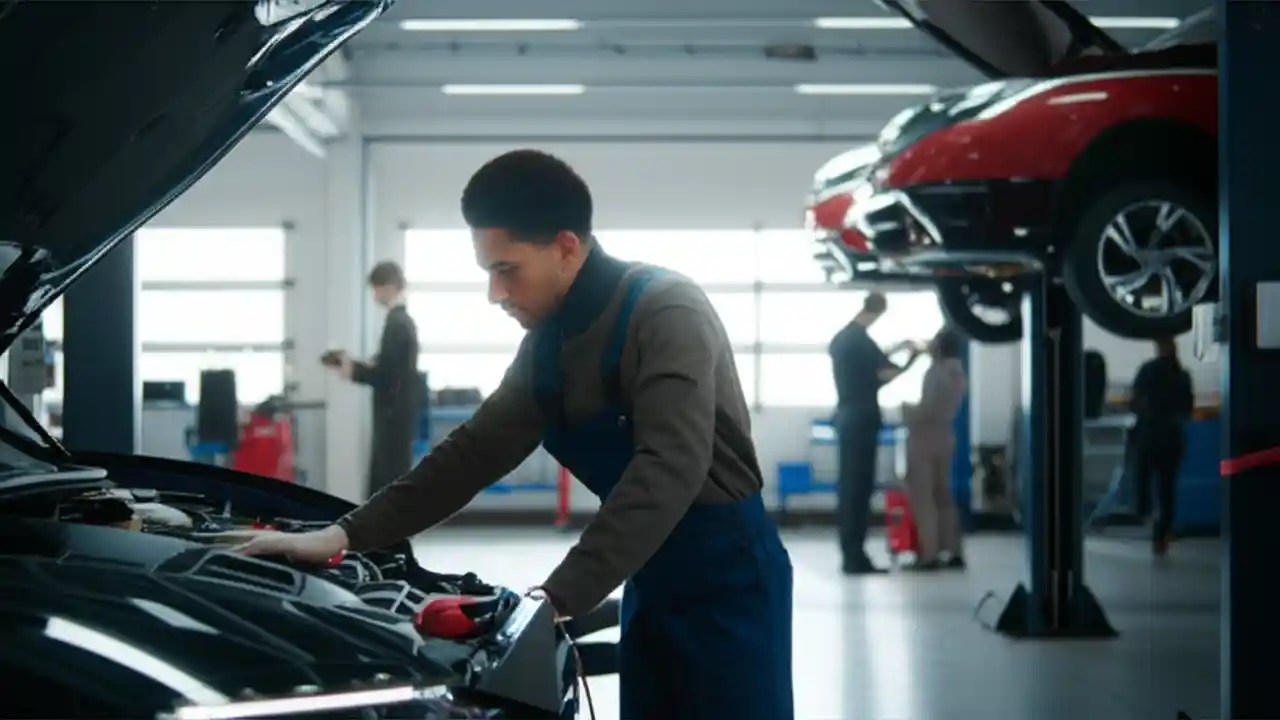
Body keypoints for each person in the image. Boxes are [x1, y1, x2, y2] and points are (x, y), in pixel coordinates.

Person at [229, 149, 794, 719]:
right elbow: (472, 455)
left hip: (728, 579)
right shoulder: (547, 347)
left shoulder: (667, 311)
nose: (495, 294)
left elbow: (670, 466)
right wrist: (343, 535)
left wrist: (557, 597)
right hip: (646, 568)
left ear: (566, 247)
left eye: (507, 270)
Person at [828, 292, 923, 575]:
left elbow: (867, 365)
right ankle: (855, 557)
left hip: (846, 416)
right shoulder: (861, 342)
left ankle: (850, 553)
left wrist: (897, 349)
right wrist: (913, 359)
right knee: (859, 488)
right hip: (861, 420)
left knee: (849, 488)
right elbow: (884, 374)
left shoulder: (844, 338)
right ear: (879, 311)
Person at [329, 261, 421, 498]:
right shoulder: (401, 322)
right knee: (389, 478)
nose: (374, 295)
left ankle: (385, 533)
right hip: (396, 413)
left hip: (392, 415)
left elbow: (385, 376)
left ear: (389, 286)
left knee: (388, 480)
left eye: (376, 288)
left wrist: (354, 370)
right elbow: (389, 368)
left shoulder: (397, 323)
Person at [900, 327, 968, 571]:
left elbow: (928, 409)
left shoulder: (936, 372)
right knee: (944, 496)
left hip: (925, 438)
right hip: (946, 437)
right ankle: (954, 550)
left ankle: (928, 554)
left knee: (923, 497)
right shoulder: (958, 371)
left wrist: (907, 411)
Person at [1127, 335, 1194, 556]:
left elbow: (1134, 402)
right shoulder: (1181, 375)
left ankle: (1144, 515)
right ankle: (1161, 533)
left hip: (1148, 434)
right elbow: (1187, 408)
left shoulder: (1147, 371)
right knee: (1167, 488)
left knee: (1143, 480)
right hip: (1170, 437)